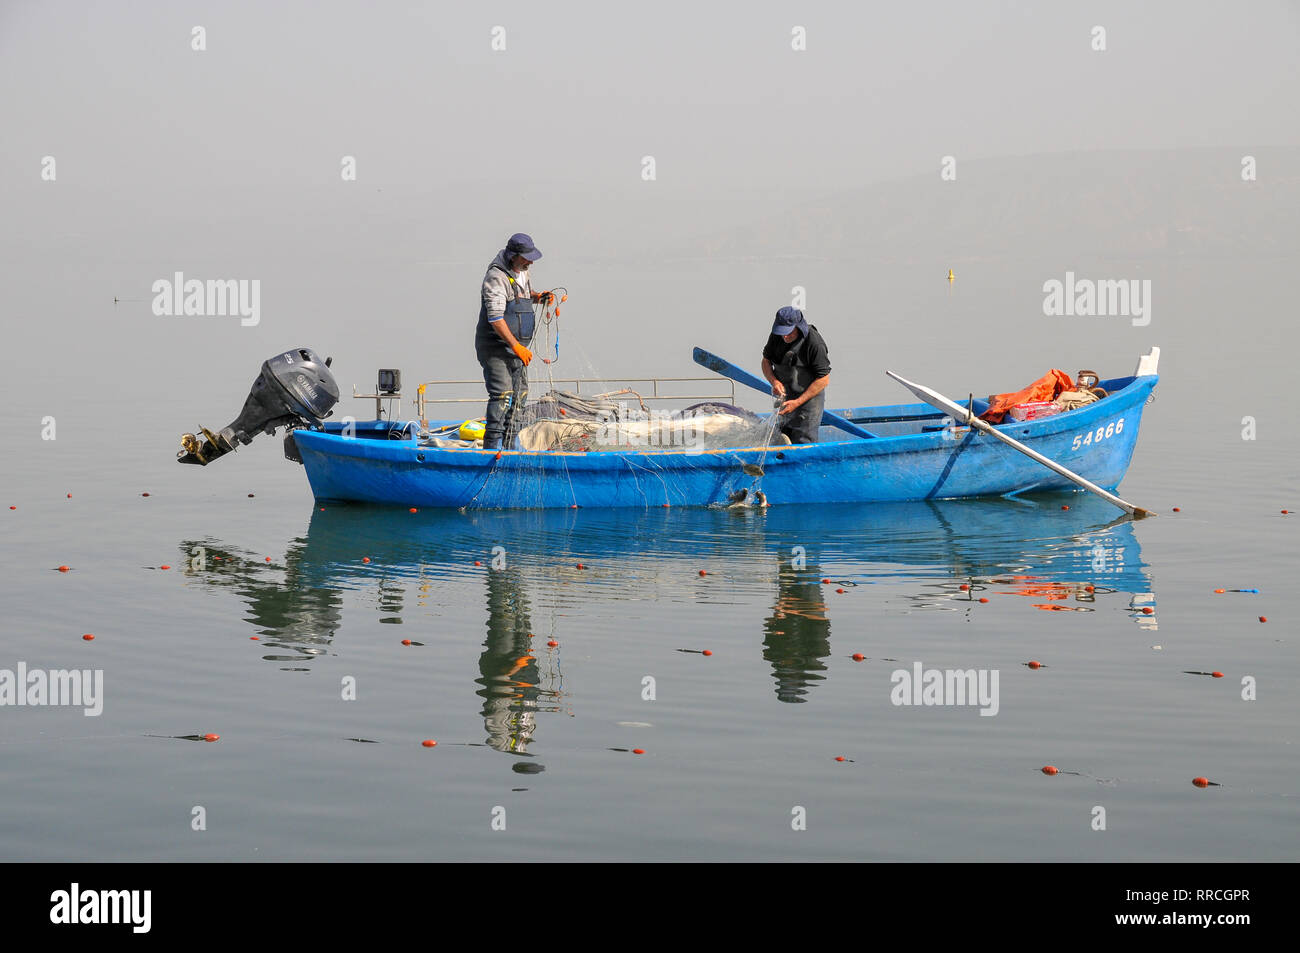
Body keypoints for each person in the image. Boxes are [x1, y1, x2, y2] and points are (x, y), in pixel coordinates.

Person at [474, 233, 554, 449]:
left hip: (518, 350)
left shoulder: (522, 273)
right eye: (526, 257)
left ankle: (510, 447)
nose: (531, 262)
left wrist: (539, 298)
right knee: (502, 394)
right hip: (496, 348)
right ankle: (492, 449)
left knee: (520, 396)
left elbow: (524, 296)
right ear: (513, 256)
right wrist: (516, 346)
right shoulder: (496, 278)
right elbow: (496, 319)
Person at [760, 306, 831, 444]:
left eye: (788, 332)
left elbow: (824, 379)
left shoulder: (814, 343)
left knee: (803, 441)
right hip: (786, 397)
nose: (784, 336)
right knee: (781, 438)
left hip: (809, 401)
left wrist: (797, 402)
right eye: (781, 332)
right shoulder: (776, 337)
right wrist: (774, 381)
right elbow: (765, 361)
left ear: (799, 326)